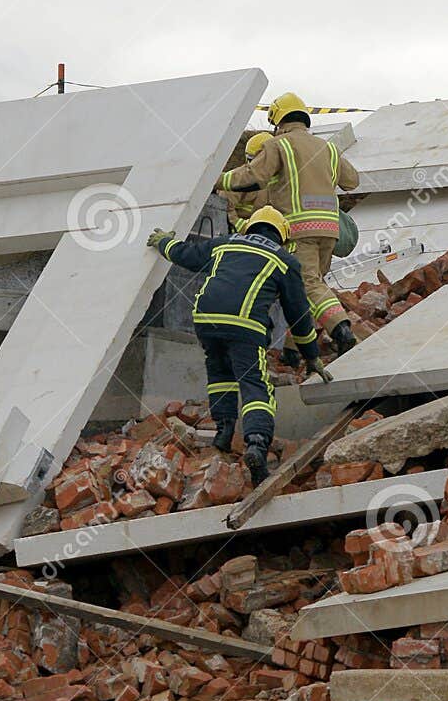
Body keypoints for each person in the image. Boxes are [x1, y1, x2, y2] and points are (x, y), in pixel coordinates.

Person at [147, 206, 329, 485]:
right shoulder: (284, 261)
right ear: (282, 236)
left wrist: (162, 241)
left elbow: (187, 255)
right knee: (254, 383)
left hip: (206, 320)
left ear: (250, 227)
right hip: (245, 325)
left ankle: (223, 430)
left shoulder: (225, 244)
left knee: (220, 374)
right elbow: (299, 314)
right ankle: (256, 444)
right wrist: (312, 356)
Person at [216, 91, 360, 355]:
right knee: (307, 287)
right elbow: (352, 181)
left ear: (278, 121)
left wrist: (218, 180)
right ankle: (296, 350)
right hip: (329, 230)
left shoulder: (277, 145)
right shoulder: (327, 148)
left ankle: (342, 329)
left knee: (307, 284)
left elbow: (254, 175)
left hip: (298, 229)